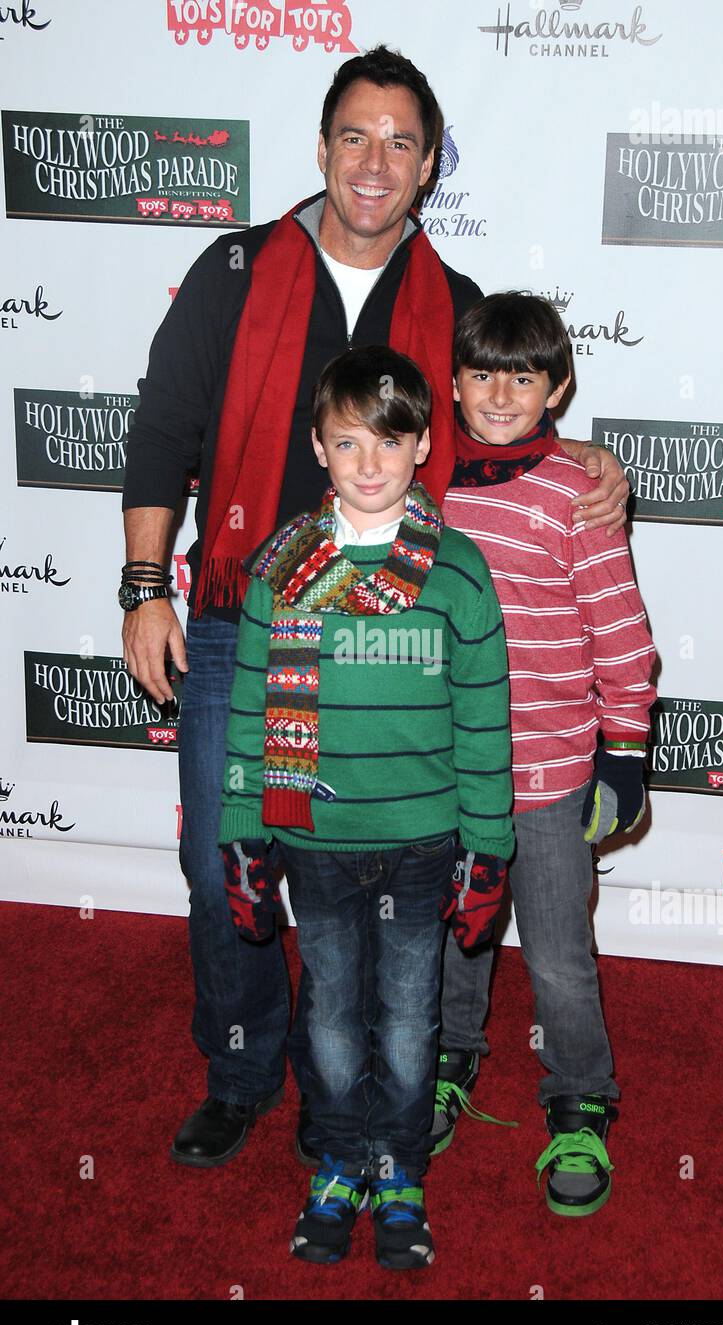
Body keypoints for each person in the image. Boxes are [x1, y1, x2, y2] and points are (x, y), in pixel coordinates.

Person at [120, 44, 630, 1169]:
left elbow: (505, 422)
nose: (375, 159)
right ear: (321, 146)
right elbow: (162, 431)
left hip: (395, 647)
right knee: (225, 859)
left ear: (430, 161)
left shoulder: (449, 303)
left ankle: (342, 1086)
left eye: (402, 140)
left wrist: (582, 458)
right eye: (355, 133)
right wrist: (145, 585)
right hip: (240, 618)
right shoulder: (237, 269)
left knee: (370, 884)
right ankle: (245, 1066)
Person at [217, 346, 514, 1267]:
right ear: (317, 447)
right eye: (348, 443)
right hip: (318, 840)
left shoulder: (455, 570)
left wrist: (488, 847)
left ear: (424, 443)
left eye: (389, 440)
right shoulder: (279, 569)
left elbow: (483, 715)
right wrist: (241, 833)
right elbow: (251, 711)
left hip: (425, 841)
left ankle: (402, 1171)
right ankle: (341, 1161)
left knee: (409, 1015)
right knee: (334, 1013)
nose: (371, 463)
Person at [441, 293, 656, 1213]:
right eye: (482, 372)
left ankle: (579, 1096)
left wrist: (624, 754)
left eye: (522, 375)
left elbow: (617, 627)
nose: (499, 391)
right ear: (451, 383)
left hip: (553, 771)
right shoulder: (422, 487)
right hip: (448, 774)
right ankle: (446, 1058)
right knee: (452, 932)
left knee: (561, 954)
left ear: (556, 388)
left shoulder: (579, 493)